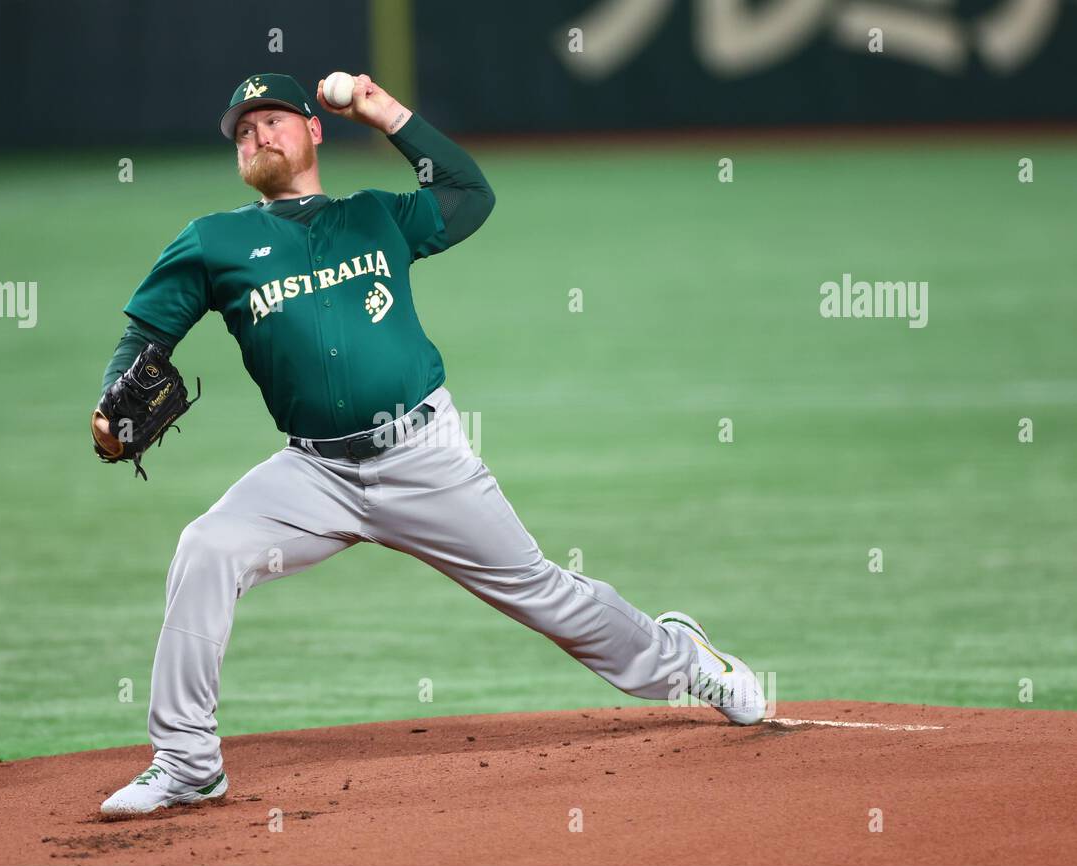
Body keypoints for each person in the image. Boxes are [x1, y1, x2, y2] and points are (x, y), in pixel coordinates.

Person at [94, 73, 765, 816]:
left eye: (273, 119)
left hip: (423, 456)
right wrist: (110, 405)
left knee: (545, 595)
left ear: (315, 130)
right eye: (243, 129)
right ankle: (188, 762)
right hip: (311, 472)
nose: (256, 135)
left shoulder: (379, 217)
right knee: (205, 548)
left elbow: (471, 194)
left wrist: (386, 114)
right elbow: (144, 337)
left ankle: (689, 663)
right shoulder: (213, 242)